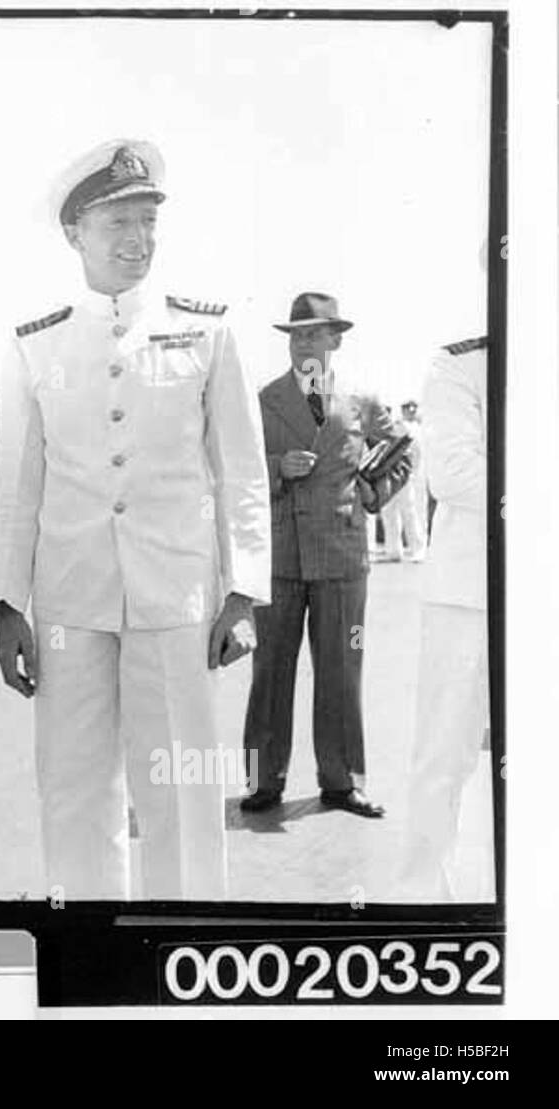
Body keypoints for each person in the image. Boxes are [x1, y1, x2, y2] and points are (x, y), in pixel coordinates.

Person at [0, 140, 271, 900]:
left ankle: (186, 951)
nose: (136, 239)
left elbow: (240, 467)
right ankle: (89, 956)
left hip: (175, 600)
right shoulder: (35, 343)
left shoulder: (207, 332)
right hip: (70, 604)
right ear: (75, 233)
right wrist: (7, 604)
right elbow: (17, 483)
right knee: (74, 791)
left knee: (180, 788)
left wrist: (242, 591)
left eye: (147, 220)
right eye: (116, 222)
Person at [240, 293, 412, 818]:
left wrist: (372, 494)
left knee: (341, 669)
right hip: (282, 557)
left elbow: (404, 450)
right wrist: (276, 468)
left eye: (315, 334)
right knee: (270, 670)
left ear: (336, 340)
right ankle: (263, 780)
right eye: (296, 334)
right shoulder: (263, 399)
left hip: (340, 554)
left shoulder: (362, 400)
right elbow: (237, 469)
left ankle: (342, 782)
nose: (304, 343)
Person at [397, 336, 489, 899]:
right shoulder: (459, 364)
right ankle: (422, 901)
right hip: (469, 591)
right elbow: (452, 472)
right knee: (444, 756)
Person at [379, 400, 428, 562]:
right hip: (386, 476)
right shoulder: (380, 429)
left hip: (403, 476)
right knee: (389, 513)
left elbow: (416, 453)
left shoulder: (404, 428)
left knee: (409, 513)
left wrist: (410, 472)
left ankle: (418, 549)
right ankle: (393, 551)